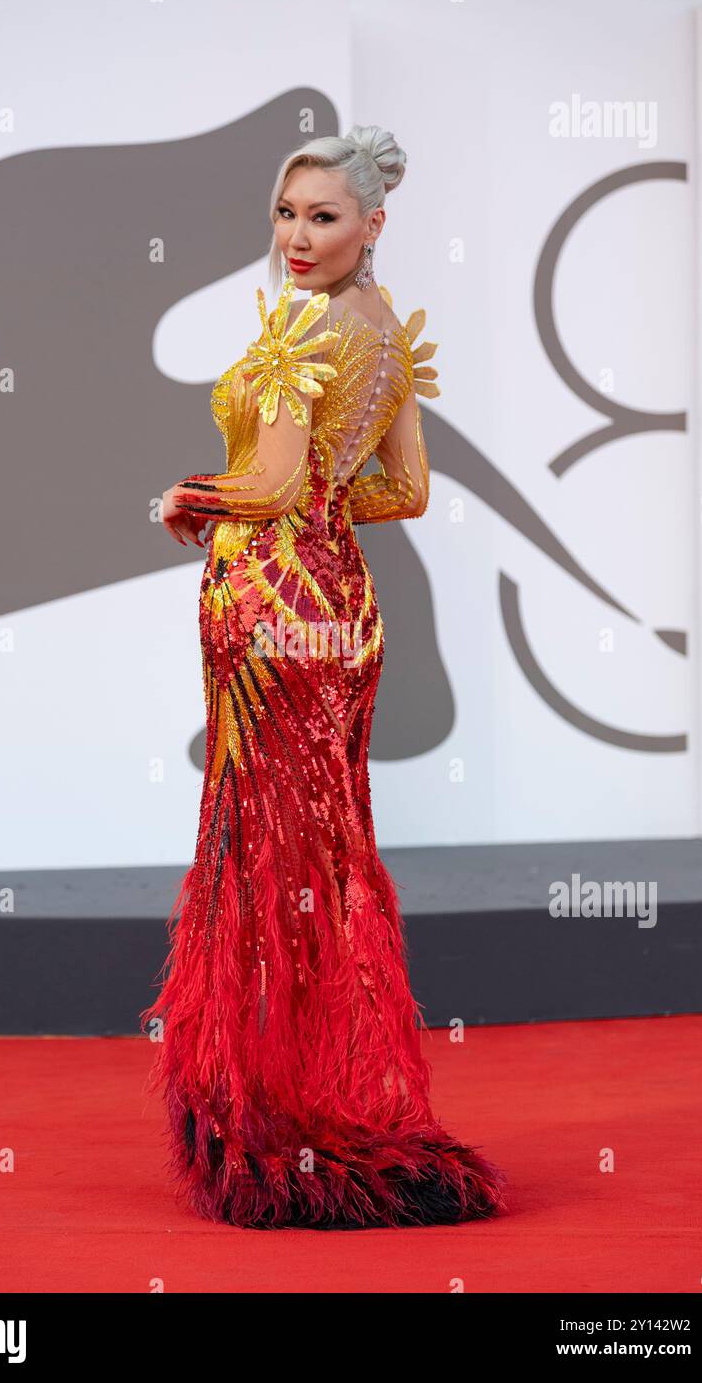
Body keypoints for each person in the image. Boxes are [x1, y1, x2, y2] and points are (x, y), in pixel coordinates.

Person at [140, 125, 507, 1229]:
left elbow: (272, 477)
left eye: (322, 218)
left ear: (371, 225)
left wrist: (189, 499)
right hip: (342, 612)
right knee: (330, 846)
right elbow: (400, 492)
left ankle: (264, 1115)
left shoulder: (307, 332)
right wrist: (294, 499)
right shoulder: (386, 331)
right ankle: (319, 1091)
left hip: (266, 611)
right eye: (285, 215)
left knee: (260, 847)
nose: (297, 238)